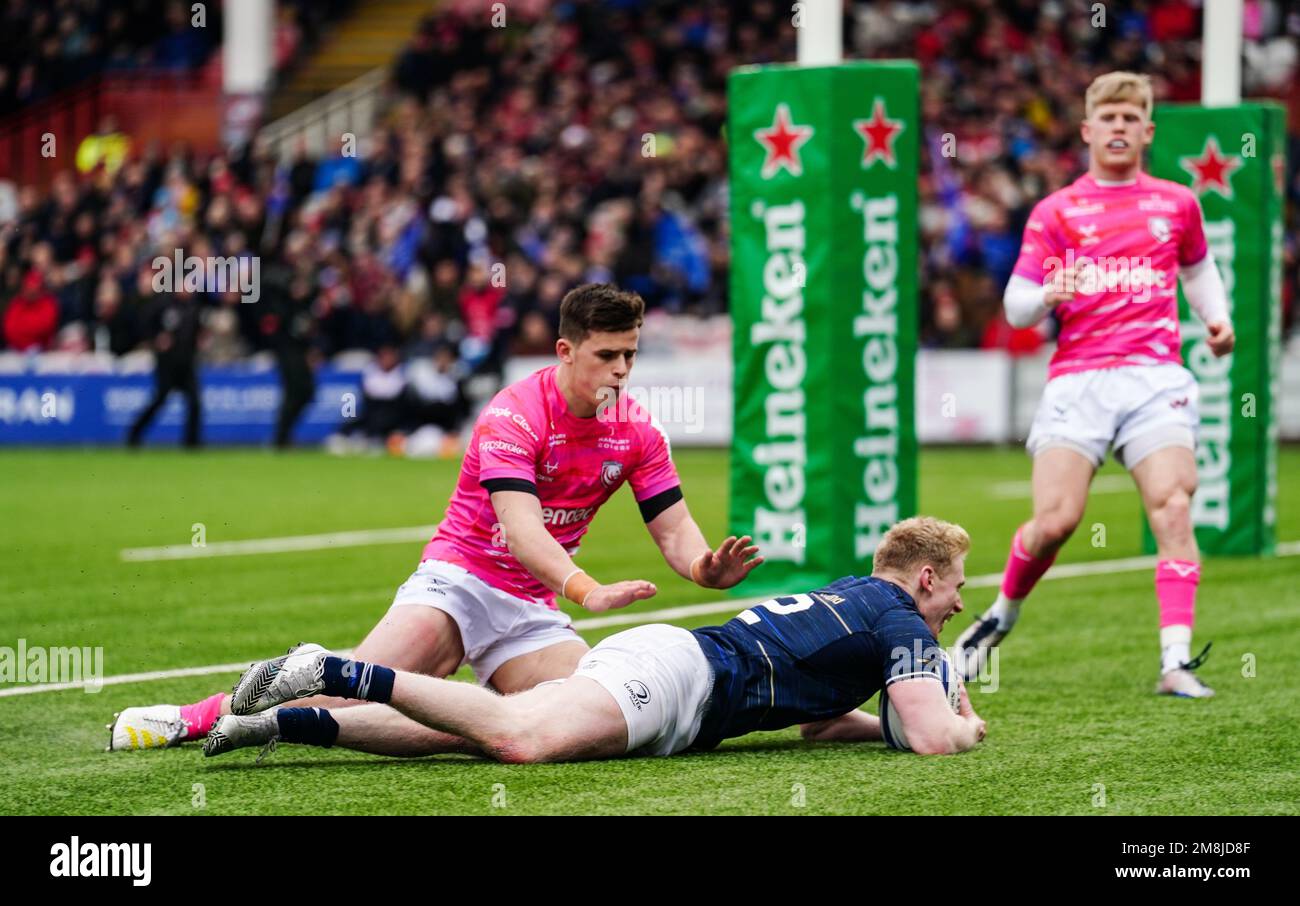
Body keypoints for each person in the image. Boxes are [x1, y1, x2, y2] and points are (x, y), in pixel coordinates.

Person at [108, 283, 762, 750]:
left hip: (530, 607)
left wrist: (703, 567)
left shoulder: (639, 431)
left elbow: (673, 528)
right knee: (352, 689)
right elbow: (521, 530)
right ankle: (193, 716)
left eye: (630, 356)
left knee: (576, 719)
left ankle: (280, 724)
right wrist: (587, 590)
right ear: (565, 351)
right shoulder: (515, 414)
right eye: (606, 356)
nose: (621, 372)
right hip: (460, 580)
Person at [206, 517, 985, 761]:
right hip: (681, 681)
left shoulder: (859, 599)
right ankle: (330, 669)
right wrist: (964, 720)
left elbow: (821, 722)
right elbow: (930, 738)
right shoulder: (900, 620)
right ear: (924, 578)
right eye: (955, 587)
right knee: (519, 739)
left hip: (675, 668)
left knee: (470, 735)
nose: (957, 604)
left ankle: (286, 723)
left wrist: (881, 721)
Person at [956, 72, 1234, 698]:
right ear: (1087, 130)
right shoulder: (1056, 212)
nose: (1119, 127)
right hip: (1079, 379)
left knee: (1173, 504)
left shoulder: (1177, 204)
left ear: (1147, 131)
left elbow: (1198, 270)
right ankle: (1000, 616)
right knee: (1056, 521)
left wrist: (1217, 320)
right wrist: (1045, 295)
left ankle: (1176, 661)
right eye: (1108, 118)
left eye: (1130, 118)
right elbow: (1016, 306)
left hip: (1155, 377)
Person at [127, 285, 202, 448]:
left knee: (195, 402)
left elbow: (196, 332)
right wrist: (156, 339)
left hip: (187, 362)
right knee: (160, 400)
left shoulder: (194, 307)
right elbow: (144, 324)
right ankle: (134, 433)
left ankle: (192, 443)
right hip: (167, 363)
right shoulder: (162, 304)